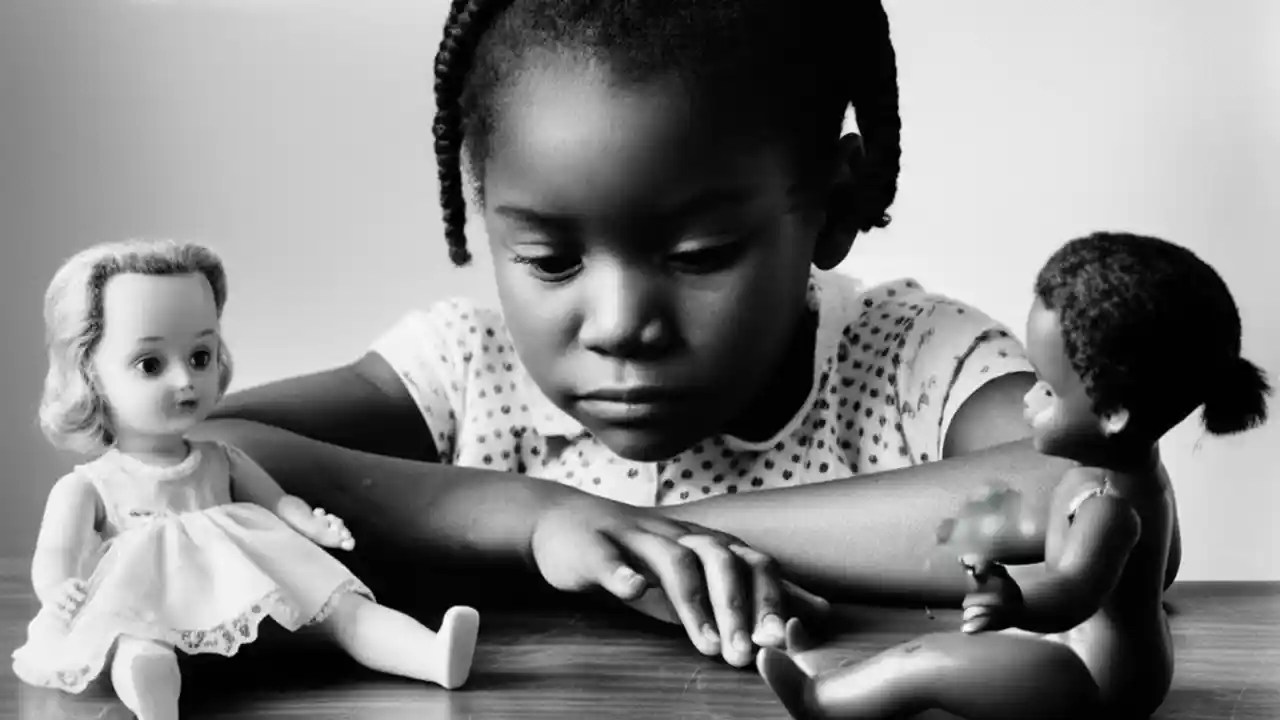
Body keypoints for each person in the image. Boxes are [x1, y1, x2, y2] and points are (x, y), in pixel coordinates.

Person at [198, 0, 1182, 670]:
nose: (622, 325)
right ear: (481, 206)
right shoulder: (468, 374)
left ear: (830, 208)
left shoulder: (902, 366)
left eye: (700, 252)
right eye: (548, 260)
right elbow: (190, 458)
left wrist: (658, 541)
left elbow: (1091, 493)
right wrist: (535, 521)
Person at [755, 231, 1270, 719]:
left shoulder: (1109, 506)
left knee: (932, 662)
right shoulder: (1115, 473)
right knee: (944, 643)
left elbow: (1074, 590)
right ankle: (842, 679)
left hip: (1093, 678)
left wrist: (1017, 600)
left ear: (1113, 415)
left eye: (1047, 389)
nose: (1027, 398)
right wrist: (993, 540)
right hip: (1088, 652)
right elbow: (1075, 546)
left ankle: (820, 701)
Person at [15, 240, 480, 720]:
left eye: (200, 356)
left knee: (342, 607)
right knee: (136, 640)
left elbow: (278, 503)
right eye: (150, 364)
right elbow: (55, 554)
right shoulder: (91, 485)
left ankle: (431, 654)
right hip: (152, 595)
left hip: (248, 576)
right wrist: (59, 588)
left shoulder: (222, 459)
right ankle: (153, 692)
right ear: (89, 375)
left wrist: (310, 524)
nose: (185, 380)